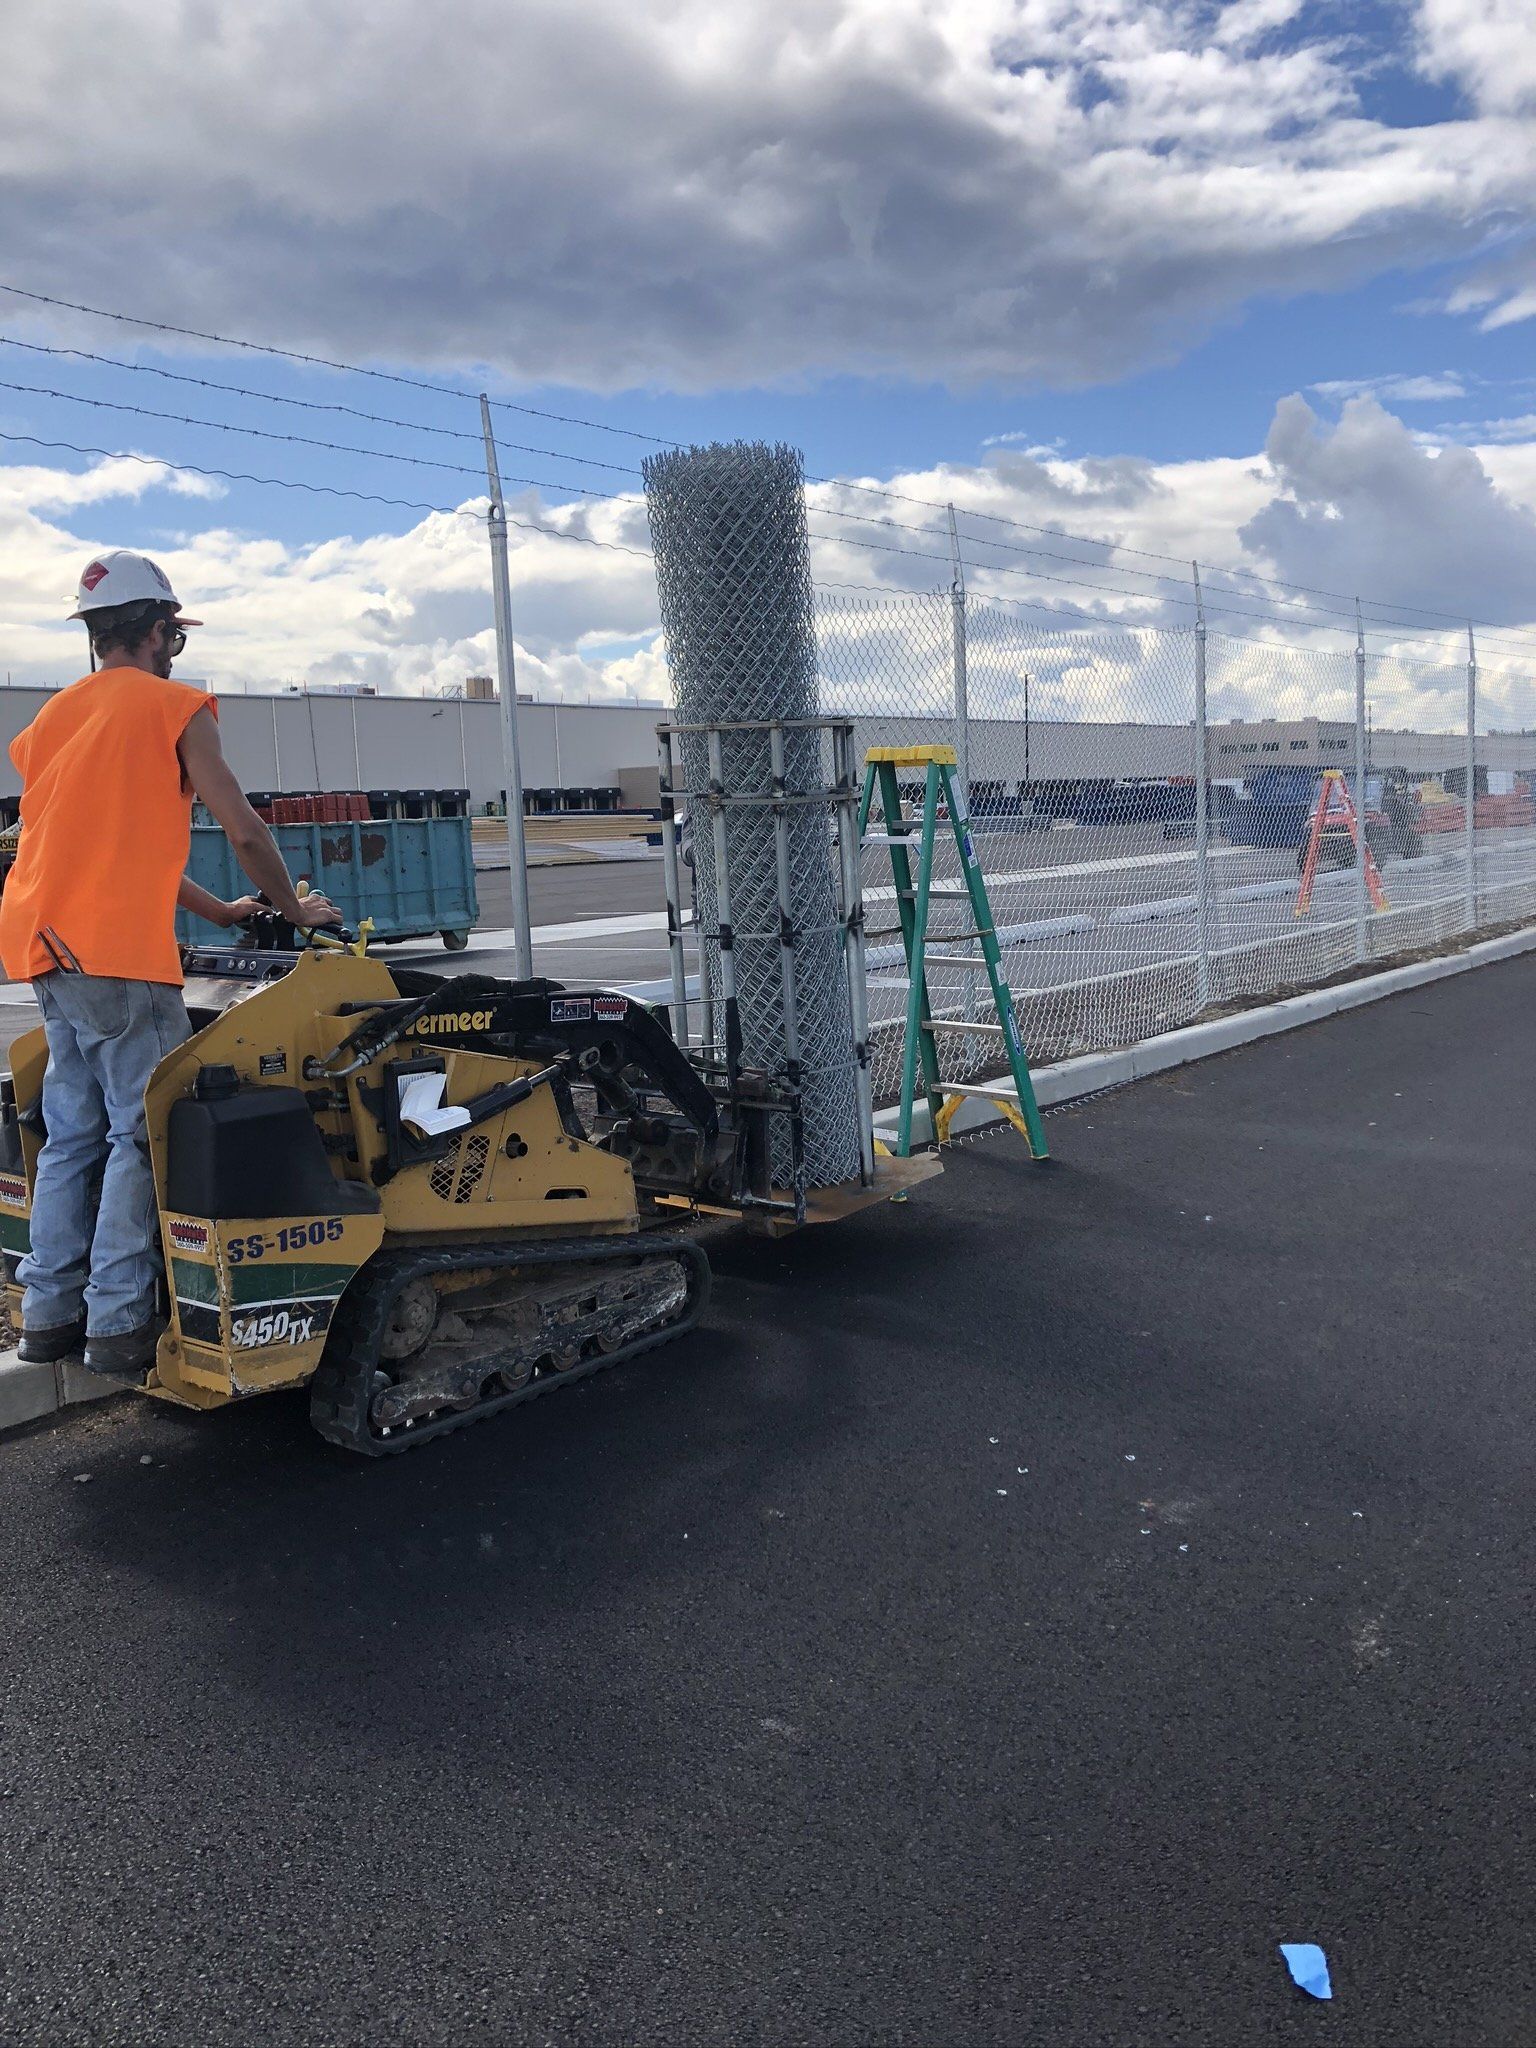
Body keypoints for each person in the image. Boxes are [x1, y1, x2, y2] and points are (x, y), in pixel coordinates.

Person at [0, 551, 342, 1376]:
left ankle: (48, 1315)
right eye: (170, 634)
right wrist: (295, 910)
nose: (170, 648)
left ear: (93, 638)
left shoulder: (53, 721)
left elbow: (110, 845)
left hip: (46, 949)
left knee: (72, 1134)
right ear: (159, 632)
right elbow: (247, 828)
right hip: (117, 956)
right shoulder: (174, 707)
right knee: (134, 1132)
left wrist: (221, 913)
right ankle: (117, 1322)